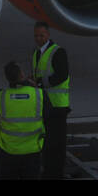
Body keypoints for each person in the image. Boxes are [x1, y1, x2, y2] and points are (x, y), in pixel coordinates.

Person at [31, 21, 70, 178]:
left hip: (57, 105)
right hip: (44, 105)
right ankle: (48, 172)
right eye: (36, 36)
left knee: (57, 145)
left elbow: (62, 75)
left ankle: (56, 174)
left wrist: (39, 83)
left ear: (48, 35)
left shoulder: (58, 52)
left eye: (42, 35)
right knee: (47, 143)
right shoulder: (36, 53)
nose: (39, 38)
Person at [0, 61, 43, 179]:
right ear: (21, 75)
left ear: (7, 78)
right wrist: (32, 86)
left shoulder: (2, 96)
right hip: (32, 150)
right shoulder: (37, 94)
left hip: (9, 150)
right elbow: (47, 111)